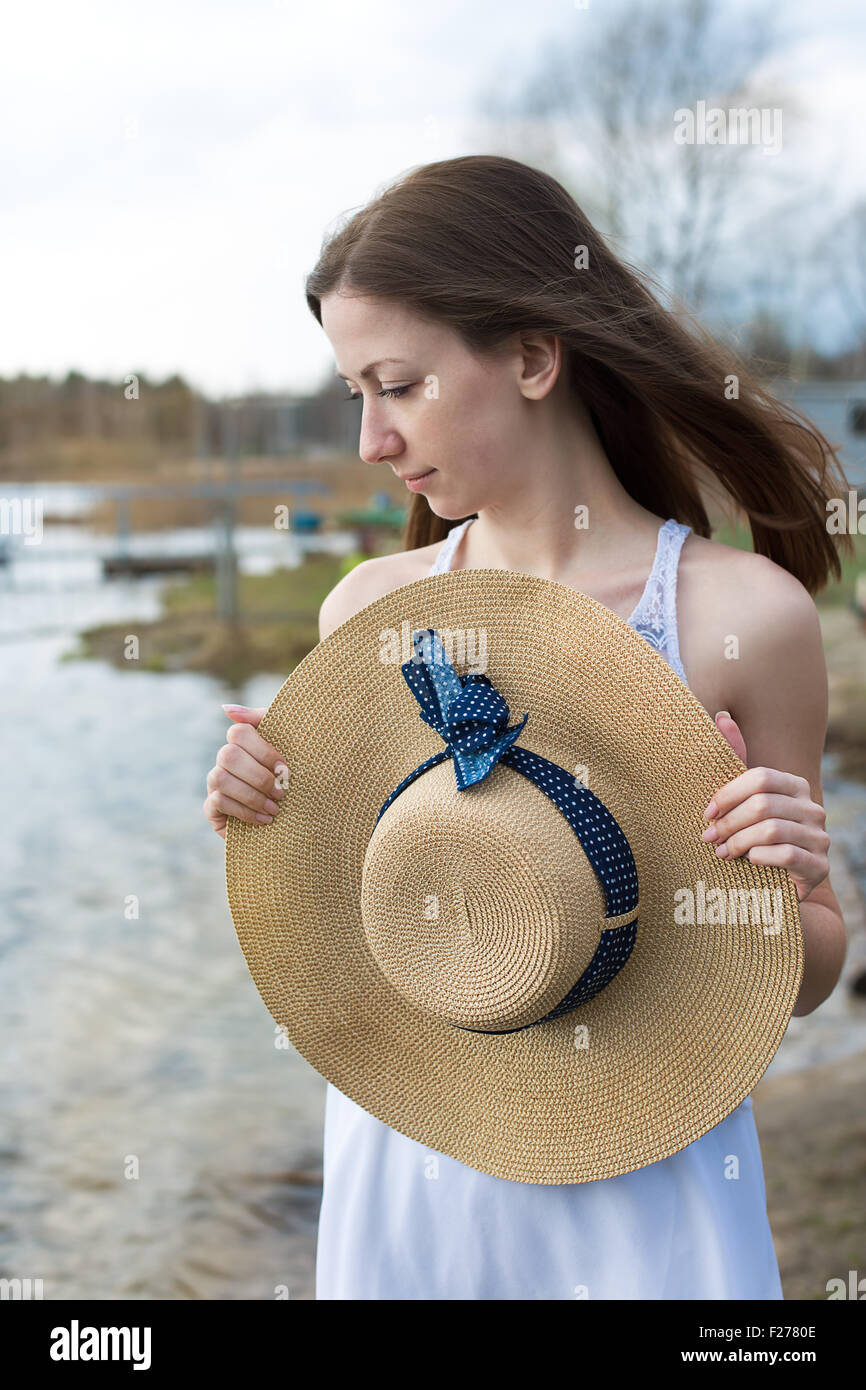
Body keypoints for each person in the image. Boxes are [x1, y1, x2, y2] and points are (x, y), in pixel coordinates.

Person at [203, 155, 850, 1299]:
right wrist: (259, 813)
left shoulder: (742, 616)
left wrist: (785, 868)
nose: (370, 441)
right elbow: (354, 927)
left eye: (396, 385)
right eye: (356, 393)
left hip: (651, 1175)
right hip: (409, 1154)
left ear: (533, 356)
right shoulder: (368, 611)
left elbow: (806, 975)